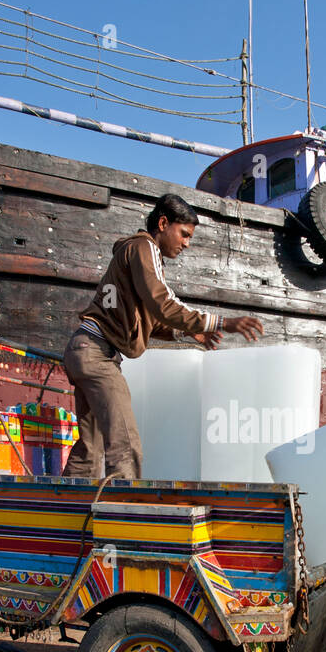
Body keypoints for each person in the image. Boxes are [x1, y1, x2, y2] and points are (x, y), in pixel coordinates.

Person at [61, 194, 264, 478]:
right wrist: (219, 322)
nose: (186, 244)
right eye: (184, 234)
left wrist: (190, 332)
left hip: (83, 349)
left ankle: (64, 512)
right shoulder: (145, 248)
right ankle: (123, 517)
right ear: (163, 222)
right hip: (97, 355)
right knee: (126, 446)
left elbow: (149, 321)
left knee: (89, 448)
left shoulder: (129, 253)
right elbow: (163, 303)